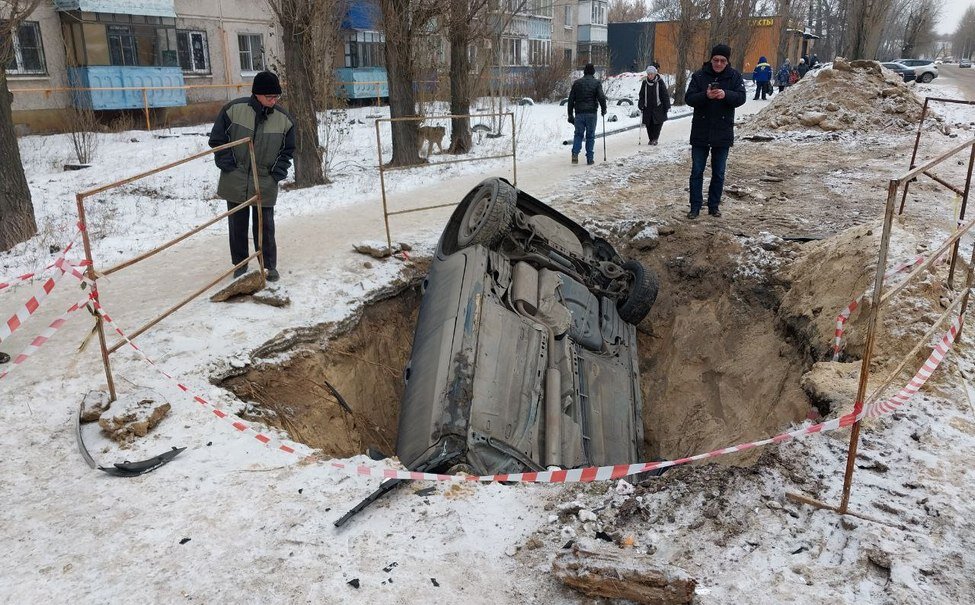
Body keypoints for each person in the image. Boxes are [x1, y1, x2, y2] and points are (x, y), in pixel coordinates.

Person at [209, 71, 295, 282]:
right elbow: (218, 140)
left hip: (265, 179)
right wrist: (227, 165)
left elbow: (288, 150)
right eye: (269, 97)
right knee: (237, 225)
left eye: (277, 97)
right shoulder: (233, 110)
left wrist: (277, 173)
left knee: (265, 226)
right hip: (235, 176)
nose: (274, 101)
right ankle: (240, 265)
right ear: (257, 94)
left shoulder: (284, 119)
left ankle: (268, 266)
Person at [684, 44, 746, 219]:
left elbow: (741, 97)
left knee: (718, 172)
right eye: (716, 60)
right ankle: (695, 207)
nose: (719, 63)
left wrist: (725, 94)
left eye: (722, 61)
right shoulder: (699, 76)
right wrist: (706, 96)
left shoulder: (734, 77)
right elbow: (688, 98)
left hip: (723, 132)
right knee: (697, 171)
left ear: (727, 62)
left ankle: (713, 206)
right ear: (711, 60)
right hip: (701, 132)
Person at [567, 63, 607, 165]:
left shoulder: (577, 83)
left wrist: (570, 114)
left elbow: (571, 100)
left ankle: (575, 153)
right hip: (591, 114)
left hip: (579, 113)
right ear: (593, 72)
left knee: (578, 134)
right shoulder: (596, 83)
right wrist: (604, 109)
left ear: (584, 72)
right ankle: (590, 158)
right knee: (590, 136)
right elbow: (601, 97)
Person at [637, 65, 670, 145]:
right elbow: (641, 95)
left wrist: (667, 106)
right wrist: (640, 104)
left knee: (658, 123)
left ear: (655, 74)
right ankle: (651, 138)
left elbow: (665, 94)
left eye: (651, 74)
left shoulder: (660, 82)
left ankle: (655, 138)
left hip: (658, 107)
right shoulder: (645, 83)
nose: (650, 76)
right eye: (648, 74)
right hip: (647, 106)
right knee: (648, 124)